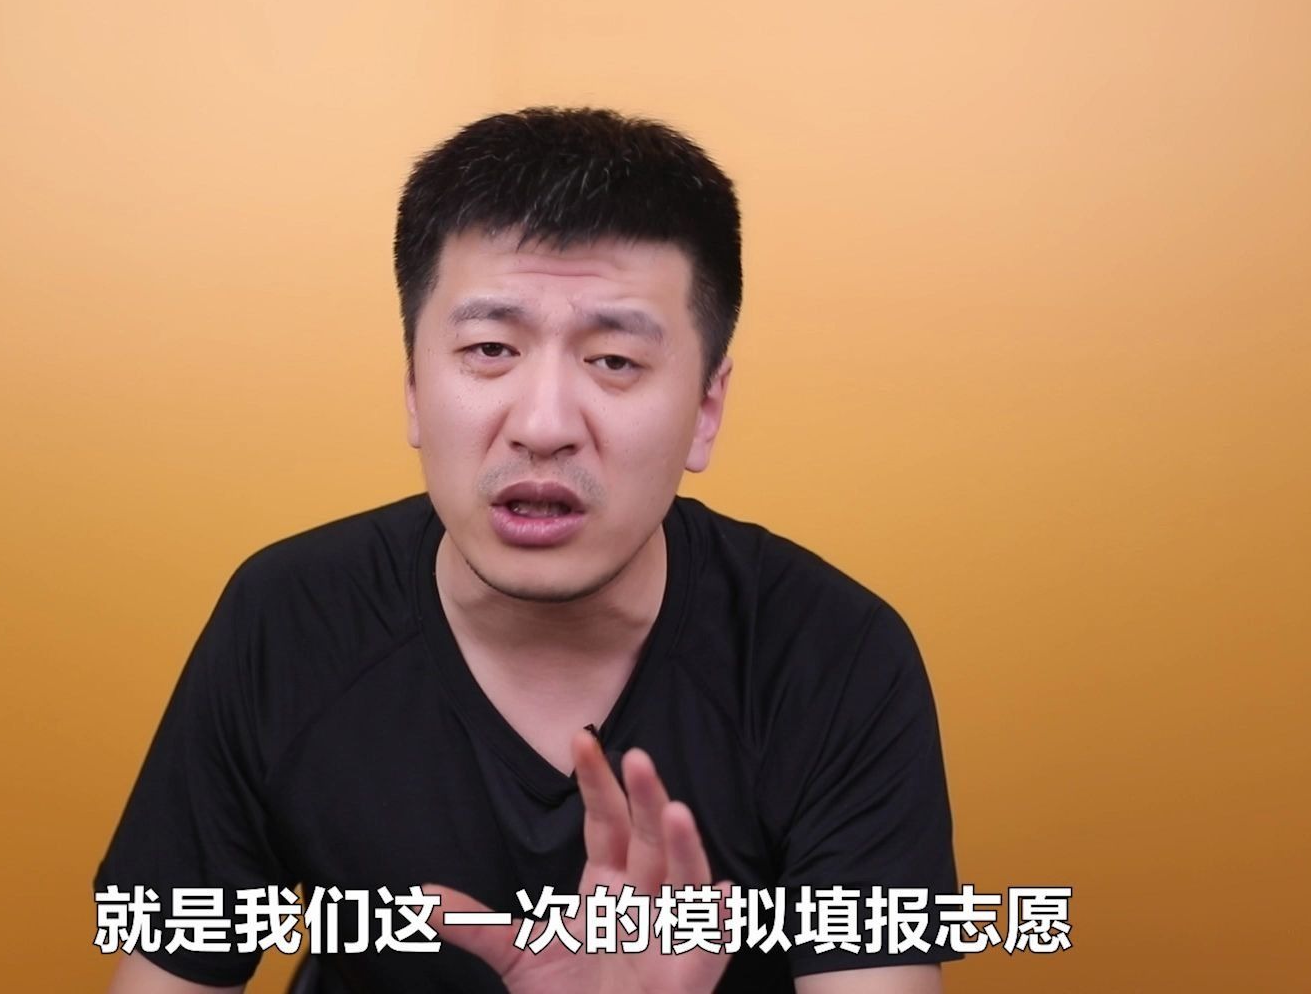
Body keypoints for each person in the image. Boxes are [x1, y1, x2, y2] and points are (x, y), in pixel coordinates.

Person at [96, 107, 961, 993]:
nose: (544, 426)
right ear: (413, 387)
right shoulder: (288, 621)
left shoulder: (833, 656)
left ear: (706, 408)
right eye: (490, 349)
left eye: (615, 361)